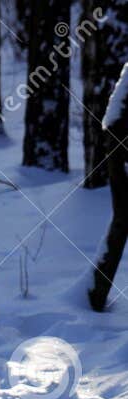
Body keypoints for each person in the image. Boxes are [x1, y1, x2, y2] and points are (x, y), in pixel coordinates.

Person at [90, 61, 128, 310]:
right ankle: (94, 294)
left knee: (121, 220)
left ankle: (95, 293)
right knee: (122, 219)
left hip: (118, 130)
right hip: (121, 136)